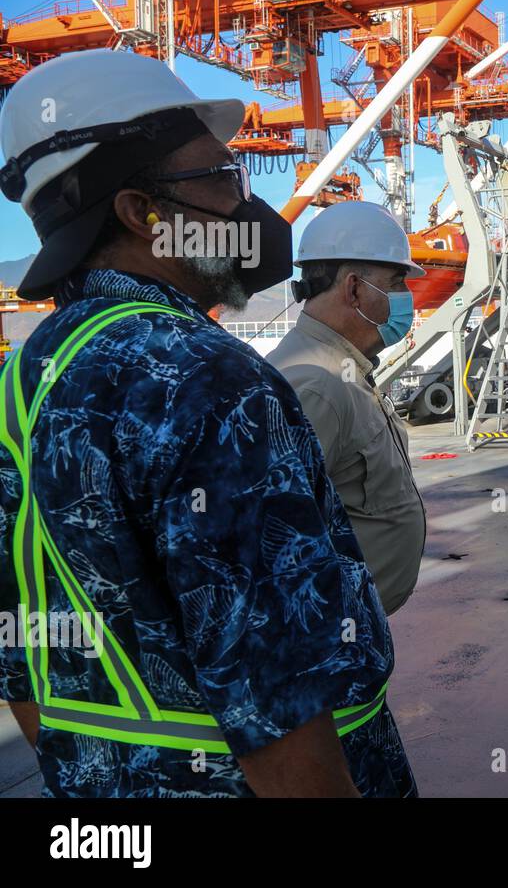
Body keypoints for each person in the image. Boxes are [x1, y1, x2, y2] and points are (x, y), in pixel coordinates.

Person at [0, 49, 415, 797]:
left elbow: (15, 651)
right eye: (222, 179)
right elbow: (278, 692)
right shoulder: (209, 376)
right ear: (140, 211)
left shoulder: (16, 384)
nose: (243, 208)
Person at [267, 202, 427, 615]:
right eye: (396, 283)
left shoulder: (342, 366)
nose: (406, 299)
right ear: (355, 289)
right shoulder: (315, 385)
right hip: (330, 635)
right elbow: (272, 539)